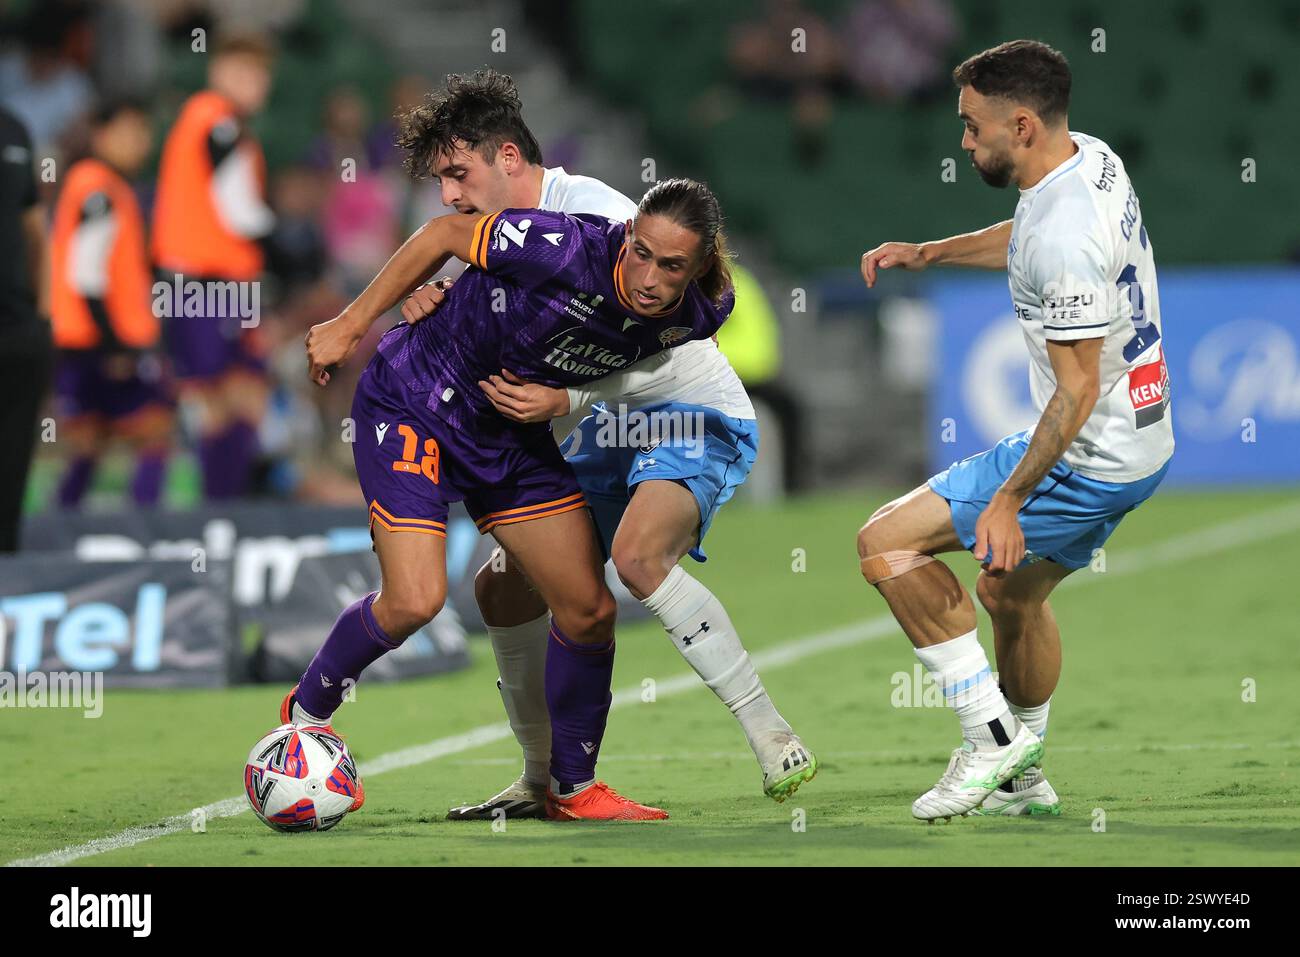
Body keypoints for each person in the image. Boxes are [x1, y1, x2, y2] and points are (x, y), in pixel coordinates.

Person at [393, 70, 815, 820]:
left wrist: (570, 398)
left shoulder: (603, 215)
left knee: (638, 557)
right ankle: (538, 778)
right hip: (602, 425)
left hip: (685, 408)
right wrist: (431, 303)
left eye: (460, 176)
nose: (452, 197)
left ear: (510, 162)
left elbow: (642, 339)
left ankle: (770, 731)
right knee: (501, 585)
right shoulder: (507, 240)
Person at [290, 177, 737, 821]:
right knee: (416, 600)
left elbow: (663, 368)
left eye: (670, 266)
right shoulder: (565, 246)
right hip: (416, 397)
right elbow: (446, 233)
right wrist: (350, 324)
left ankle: (572, 789)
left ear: (697, 269)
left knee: (587, 608)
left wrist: (574, 401)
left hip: (508, 428)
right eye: (640, 251)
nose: (646, 275)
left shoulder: (701, 311)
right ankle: (304, 719)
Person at [858, 39, 1173, 821]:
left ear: (1023, 126)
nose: (964, 142)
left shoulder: (1068, 234)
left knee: (885, 543)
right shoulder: (1088, 158)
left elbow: (1075, 388)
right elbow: (1025, 234)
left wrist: (1006, 499)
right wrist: (931, 251)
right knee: (1009, 594)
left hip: (1090, 448)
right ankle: (1023, 781)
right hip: (1142, 440)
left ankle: (992, 737)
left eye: (973, 128)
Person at [152, 34, 275, 500]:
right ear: (217, 72)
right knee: (215, 397)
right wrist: (284, 247)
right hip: (203, 281)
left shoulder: (225, 124)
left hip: (227, 281)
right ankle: (219, 505)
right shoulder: (214, 118)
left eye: (260, 75)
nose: (254, 84)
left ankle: (228, 500)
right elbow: (239, 207)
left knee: (243, 391)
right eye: (243, 72)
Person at [49, 99, 171, 509]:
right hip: (101, 340)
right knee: (154, 430)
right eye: (129, 132)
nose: (140, 143)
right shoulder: (98, 188)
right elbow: (86, 274)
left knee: (90, 442)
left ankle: (62, 527)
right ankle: (146, 528)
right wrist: (113, 345)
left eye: (143, 133)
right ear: (101, 135)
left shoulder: (101, 184)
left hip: (87, 339)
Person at [0, 106, 53, 551]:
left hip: (19, 331)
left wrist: (44, 318)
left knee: (13, 467)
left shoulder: (15, 127)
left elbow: (34, 227)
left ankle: (8, 591)